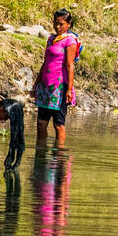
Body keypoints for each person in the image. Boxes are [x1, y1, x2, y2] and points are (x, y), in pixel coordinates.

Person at [32, 9, 82, 144]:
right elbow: (45, 63)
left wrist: (69, 90)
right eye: (55, 23)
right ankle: (41, 155)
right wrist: (36, 84)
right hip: (45, 86)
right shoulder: (51, 39)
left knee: (58, 124)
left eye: (61, 24)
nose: (57, 27)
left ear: (69, 24)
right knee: (41, 124)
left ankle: (59, 158)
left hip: (59, 87)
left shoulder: (70, 41)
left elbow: (70, 66)